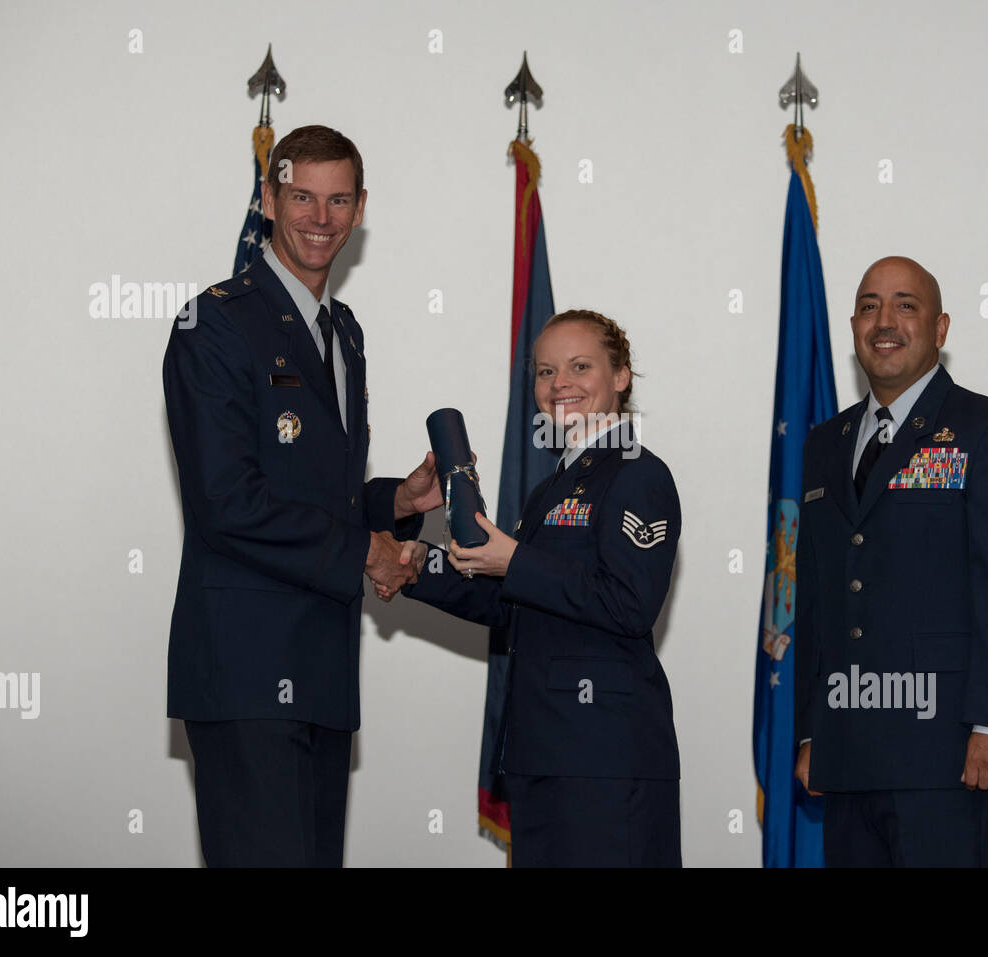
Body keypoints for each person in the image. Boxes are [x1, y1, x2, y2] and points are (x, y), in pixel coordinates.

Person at [162, 124, 440, 867]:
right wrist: (366, 553)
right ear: (269, 198)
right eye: (302, 197)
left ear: (360, 209)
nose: (321, 218)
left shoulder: (343, 331)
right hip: (247, 671)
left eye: (338, 200)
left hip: (324, 669)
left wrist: (396, 503)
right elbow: (227, 502)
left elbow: (315, 493)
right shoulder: (213, 322)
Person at [391, 310, 683, 867]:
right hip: (540, 754)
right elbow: (513, 603)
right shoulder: (549, 489)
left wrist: (517, 560)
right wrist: (417, 567)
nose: (559, 384)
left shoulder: (638, 473)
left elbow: (630, 603)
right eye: (546, 371)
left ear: (621, 376)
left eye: (580, 366)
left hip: (605, 760)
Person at [793, 256, 988, 867]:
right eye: (869, 306)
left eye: (905, 305)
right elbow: (816, 599)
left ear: (940, 328)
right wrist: (811, 730)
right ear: (853, 326)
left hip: (949, 757)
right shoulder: (824, 444)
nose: (884, 321)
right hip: (848, 754)